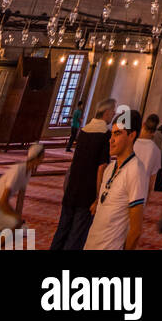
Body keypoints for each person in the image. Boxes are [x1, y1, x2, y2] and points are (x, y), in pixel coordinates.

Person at [50, 97, 116, 251]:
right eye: (113, 111)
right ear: (106, 112)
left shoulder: (84, 131)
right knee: (77, 235)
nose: (114, 114)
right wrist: (98, 196)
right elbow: (101, 167)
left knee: (62, 230)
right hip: (87, 193)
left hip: (72, 188)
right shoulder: (105, 135)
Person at [84, 109, 146, 251]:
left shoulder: (135, 170)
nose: (111, 140)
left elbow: (136, 230)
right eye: (112, 134)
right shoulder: (109, 168)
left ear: (131, 136)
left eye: (117, 134)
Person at [0, 143, 45, 229]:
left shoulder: (28, 172)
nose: (43, 159)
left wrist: (17, 217)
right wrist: (15, 217)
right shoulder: (18, 170)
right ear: (37, 157)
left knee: (18, 227)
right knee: (13, 225)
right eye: (42, 156)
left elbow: (20, 199)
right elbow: (3, 201)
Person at [134, 114, 162, 191]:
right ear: (154, 132)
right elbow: (152, 179)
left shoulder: (131, 142)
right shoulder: (156, 151)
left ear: (143, 124)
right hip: (141, 191)